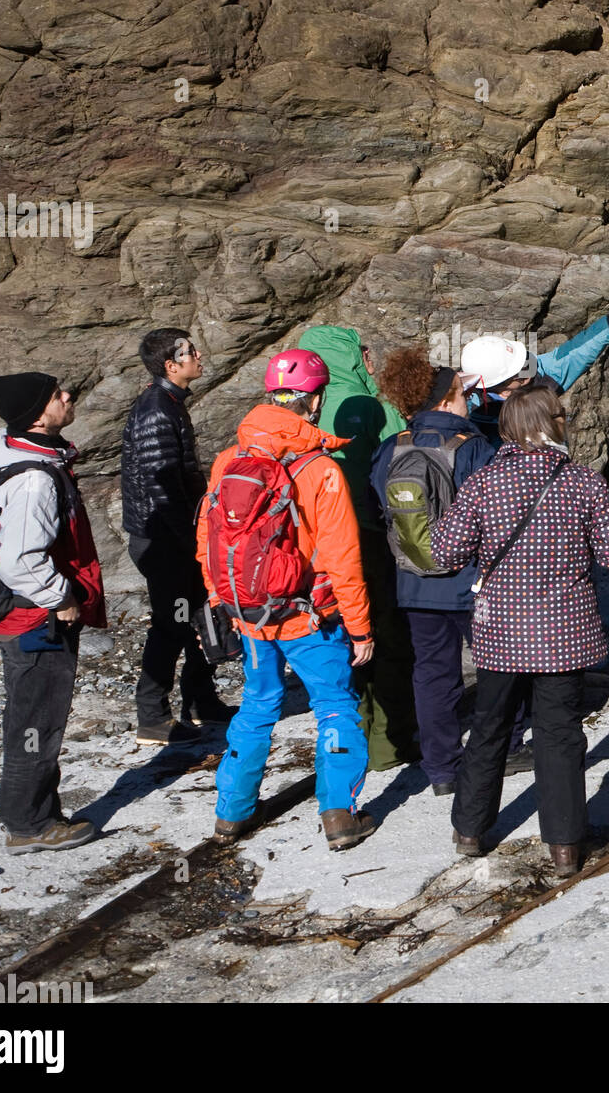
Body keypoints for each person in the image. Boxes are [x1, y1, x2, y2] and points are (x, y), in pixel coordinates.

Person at [431, 386, 609, 877]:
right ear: (551, 423)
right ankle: (565, 844)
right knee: (559, 733)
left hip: (500, 630)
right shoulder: (582, 482)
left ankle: (470, 829)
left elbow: (444, 551)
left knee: (489, 727)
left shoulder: (483, 483)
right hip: (563, 632)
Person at [197, 349, 377, 851]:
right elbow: (344, 559)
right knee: (336, 706)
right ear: (314, 401)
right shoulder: (321, 470)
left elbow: (209, 545)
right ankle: (339, 814)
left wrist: (222, 601)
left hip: (250, 616)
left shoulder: (229, 461)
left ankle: (232, 812)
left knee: (257, 706)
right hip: (310, 615)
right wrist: (361, 627)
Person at [0, 373, 106, 855]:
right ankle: (27, 824)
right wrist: (64, 598)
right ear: (37, 413)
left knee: (32, 715)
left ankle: (37, 813)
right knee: (36, 721)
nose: (68, 397)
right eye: (58, 395)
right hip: (36, 620)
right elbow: (20, 561)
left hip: (24, 617)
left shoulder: (20, 456)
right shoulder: (33, 479)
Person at [370, 347, 494, 795]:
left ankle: (441, 768)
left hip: (412, 581)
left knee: (432, 672)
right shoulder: (475, 447)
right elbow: (491, 515)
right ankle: (508, 743)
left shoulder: (391, 447)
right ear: (444, 400)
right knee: (496, 667)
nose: (468, 402)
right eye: (462, 394)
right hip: (470, 581)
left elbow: (380, 509)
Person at [297, 325, 418, 771]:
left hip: (313, 548)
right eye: (364, 354)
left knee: (342, 637)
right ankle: (390, 744)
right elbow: (403, 456)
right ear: (353, 356)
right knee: (384, 637)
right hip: (368, 538)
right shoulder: (371, 405)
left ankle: (352, 736)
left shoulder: (304, 407)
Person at [121, 328, 231, 746]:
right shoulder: (156, 409)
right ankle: (152, 716)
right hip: (163, 541)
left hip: (173, 536)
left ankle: (200, 701)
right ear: (172, 366)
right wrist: (192, 543)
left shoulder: (169, 402)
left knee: (199, 614)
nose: (199, 355)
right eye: (190, 352)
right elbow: (159, 486)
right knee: (175, 622)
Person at [458, 292, 609, 448]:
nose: (526, 370)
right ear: (498, 386)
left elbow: (578, 350)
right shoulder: (465, 413)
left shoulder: (540, 373)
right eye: (517, 371)